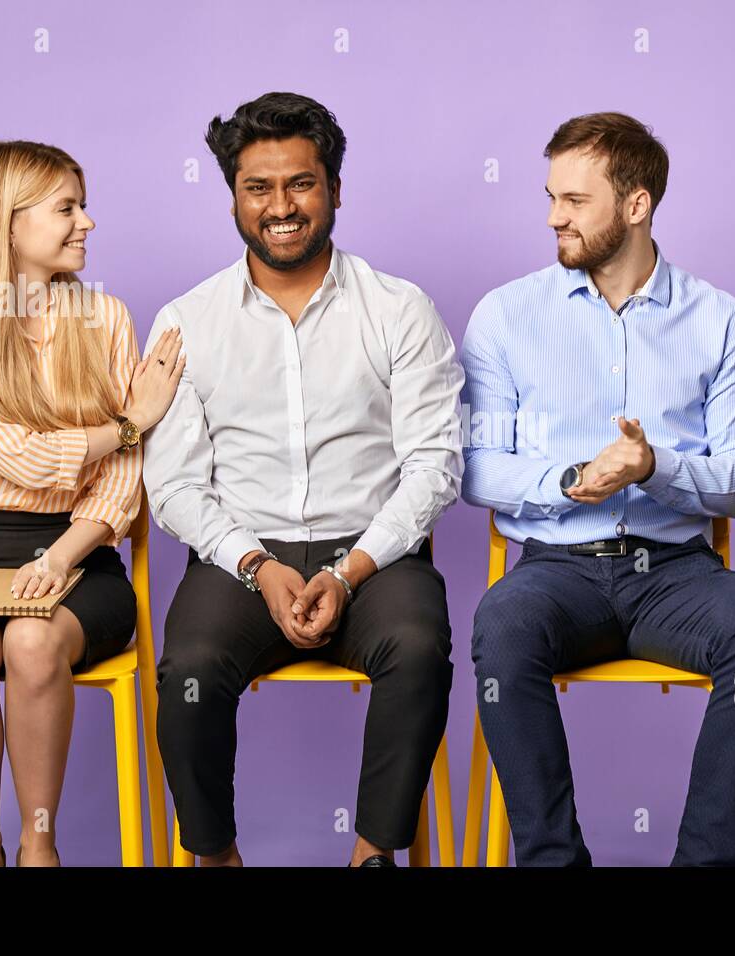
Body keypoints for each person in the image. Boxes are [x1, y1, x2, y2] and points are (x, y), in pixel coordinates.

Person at [461, 112, 735, 866]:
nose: (554, 217)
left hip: (675, 573)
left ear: (636, 205)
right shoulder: (506, 317)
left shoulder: (721, 321)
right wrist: (573, 478)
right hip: (554, 571)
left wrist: (655, 469)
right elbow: (480, 469)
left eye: (575, 201)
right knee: (503, 630)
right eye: (551, 197)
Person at [142, 92, 465, 868]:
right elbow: (175, 485)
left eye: (301, 184)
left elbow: (435, 464)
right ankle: (215, 857)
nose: (281, 207)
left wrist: (353, 570)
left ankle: (373, 854)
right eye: (259, 188)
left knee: (419, 646)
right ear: (234, 199)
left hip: (375, 552)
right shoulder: (187, 319)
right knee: (187, 669)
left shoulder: (400, 309)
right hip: (242, 554)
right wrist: (257, 564)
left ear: (335, 190)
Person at [0, 140, 183, 866]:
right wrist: (127, 424)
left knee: (31, 642)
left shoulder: (108, 319)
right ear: (8, 222)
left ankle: (38, 844)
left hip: (81, 554)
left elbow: (126, 479)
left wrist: (61, 557)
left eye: (83, 205)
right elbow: (16, 455)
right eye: (67, 208)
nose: (87, 222)